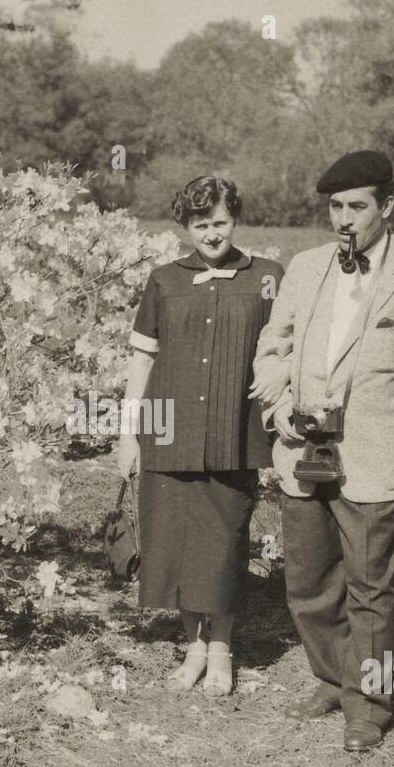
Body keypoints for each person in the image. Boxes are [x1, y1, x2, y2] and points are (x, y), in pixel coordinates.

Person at [250, 151, 394, 750]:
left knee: (370, 586)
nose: (344, 219)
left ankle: (370, 704)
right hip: (300, 451)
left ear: (386, 208)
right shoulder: (307, 267)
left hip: (373, 455)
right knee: (309, 580)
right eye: (335, 207)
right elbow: (274, 346)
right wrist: (277, 407)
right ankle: (332, 678)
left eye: (357, 207)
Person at [117, 175, 284, 697]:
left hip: (236, 433)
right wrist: (128, 434)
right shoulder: (163, 280)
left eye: (220, 222)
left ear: (235, 220)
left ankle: (221, 649)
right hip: (167, 429)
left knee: (225, 540)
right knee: (176, 543)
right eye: (200, 224)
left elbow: (286, 354)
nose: (211, 234)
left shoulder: (268, 278)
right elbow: (141, 360)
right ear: (185, 227)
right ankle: (192, 645)